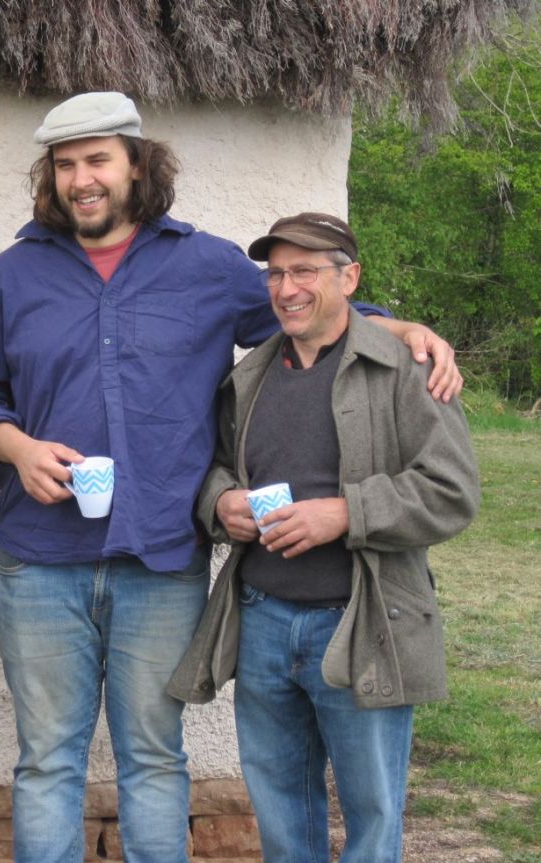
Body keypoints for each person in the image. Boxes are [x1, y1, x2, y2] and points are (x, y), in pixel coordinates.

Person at [0, 92, 463, 863]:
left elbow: (312, 312)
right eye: (65, 165)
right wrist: (16, 447)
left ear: (135, 166)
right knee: (46, 760)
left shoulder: (208, 266)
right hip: (39, 558)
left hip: (161, 557)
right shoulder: (13, 276)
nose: (81, 179)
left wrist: (406, 328)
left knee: (154, 756)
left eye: (97, 160)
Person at [168, 213, 480, 862]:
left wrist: (345, 513)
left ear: (350, 278)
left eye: (305, 271)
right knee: (283, 818)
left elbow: (452, 492)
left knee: (372, 818)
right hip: (262, 621)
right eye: (276, 274)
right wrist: (221, 502)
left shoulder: (407, 368)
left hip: (363, 622)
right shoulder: (249, 377)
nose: (287, 289)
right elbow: (216, 465)